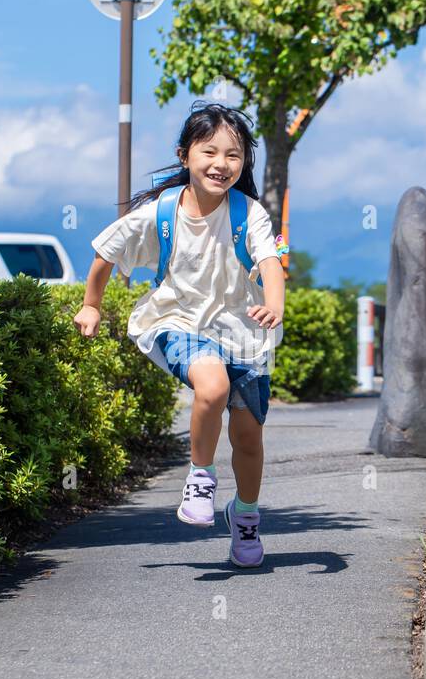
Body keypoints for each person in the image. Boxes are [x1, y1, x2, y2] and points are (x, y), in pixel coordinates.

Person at [73, 102, 286, 568]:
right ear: (185, 154)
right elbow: (105, 253)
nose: (221, 164)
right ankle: (200, 478)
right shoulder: (160, 212)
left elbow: (270, 263)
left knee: (248, 437)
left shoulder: (249, 213)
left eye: (233, 156)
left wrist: (274, 305)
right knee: (212, 386)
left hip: (244, 335)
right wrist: (91, 304)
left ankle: (245, 516)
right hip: (178, 323)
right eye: (209, 152)